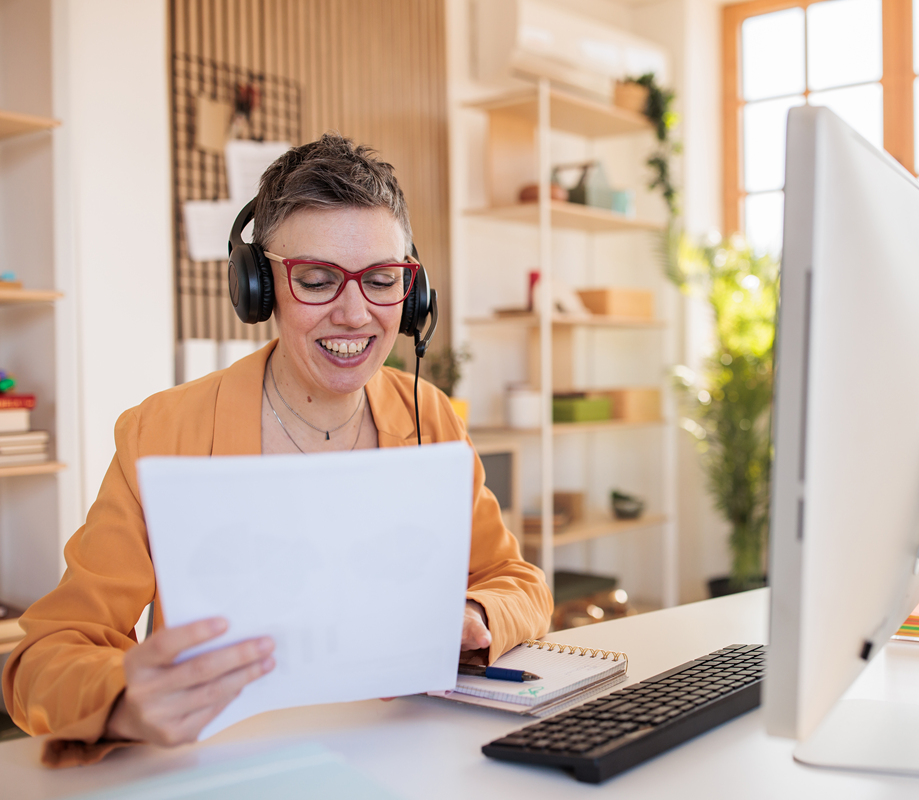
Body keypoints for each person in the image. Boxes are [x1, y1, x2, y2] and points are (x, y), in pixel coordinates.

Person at [1, 134, 553, 767]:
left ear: (413, 295)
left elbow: (518, 584)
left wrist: (474, 615)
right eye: (316, 280)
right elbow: (42, 661)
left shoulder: (427, 414)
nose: (355, 314)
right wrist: (124, 697)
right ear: (258, 288)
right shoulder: (162, 432)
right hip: (227, 771)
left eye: (381, 280)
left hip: (406, 758)